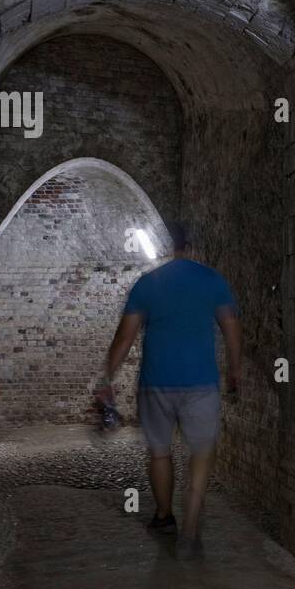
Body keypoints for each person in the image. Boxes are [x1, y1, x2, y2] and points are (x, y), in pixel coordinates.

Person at [96, 221, 241, 559]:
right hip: (201, 383)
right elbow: (232, 327)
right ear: (191, 245)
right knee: (201, 453)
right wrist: (235, 370)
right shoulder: (212, 280)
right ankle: (191, 527)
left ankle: (164, 516)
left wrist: (107, 379)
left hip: (156, 382)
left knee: (160, 452)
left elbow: (124, 337)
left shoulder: (147, 284)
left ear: (164, 246)